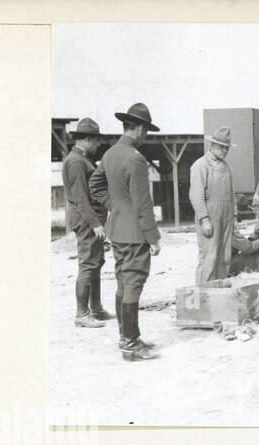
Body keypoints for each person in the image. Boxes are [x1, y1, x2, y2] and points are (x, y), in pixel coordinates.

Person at [99, 102, 163, 361]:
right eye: (146, 130)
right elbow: (143, 203)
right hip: (135, 233)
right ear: (139, 129)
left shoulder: (110, 154)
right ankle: (130, 344)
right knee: (134, 284)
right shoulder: (135, 158)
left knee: (123, 283)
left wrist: (114, 206)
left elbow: (96, 185)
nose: (146, 136)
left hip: (117, 230)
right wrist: (153, 237)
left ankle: (126, 337)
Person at [62, 118, 113, 328]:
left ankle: (96, 308)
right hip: (86, 220)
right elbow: (81, 198)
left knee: (96, 262)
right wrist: (95, 224)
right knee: (88, 264)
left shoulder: (80, 159)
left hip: (90, 219)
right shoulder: (76, 162)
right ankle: (82, 314)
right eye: (97, 141)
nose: (99, 145)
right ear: (89, 139)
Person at [188, 126, 236, 284]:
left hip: (226, 219)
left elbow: (231, 194)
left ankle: (219, 296)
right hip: (210, 218)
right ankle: (203, 297)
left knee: (225, 257)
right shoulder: (200, 165)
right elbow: (196, 195)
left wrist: (233, 217)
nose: (224, 150)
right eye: (221, 147)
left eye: (227, 147)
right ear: (211, 145)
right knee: (209, 257)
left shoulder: (225, 166)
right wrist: (204, 219)